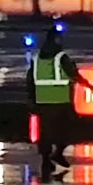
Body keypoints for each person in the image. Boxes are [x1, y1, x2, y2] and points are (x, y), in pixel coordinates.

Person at [31, 30, 79, 176]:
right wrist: (90, 86)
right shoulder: (61, 57)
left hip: (42, 100)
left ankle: (46, 159)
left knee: (45, 132)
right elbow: (73, 75)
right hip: (60, 99)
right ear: (57, 40)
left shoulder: (37, 58)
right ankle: (58, 153)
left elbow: (30, 79)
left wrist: (31, 99)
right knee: (64, 129)